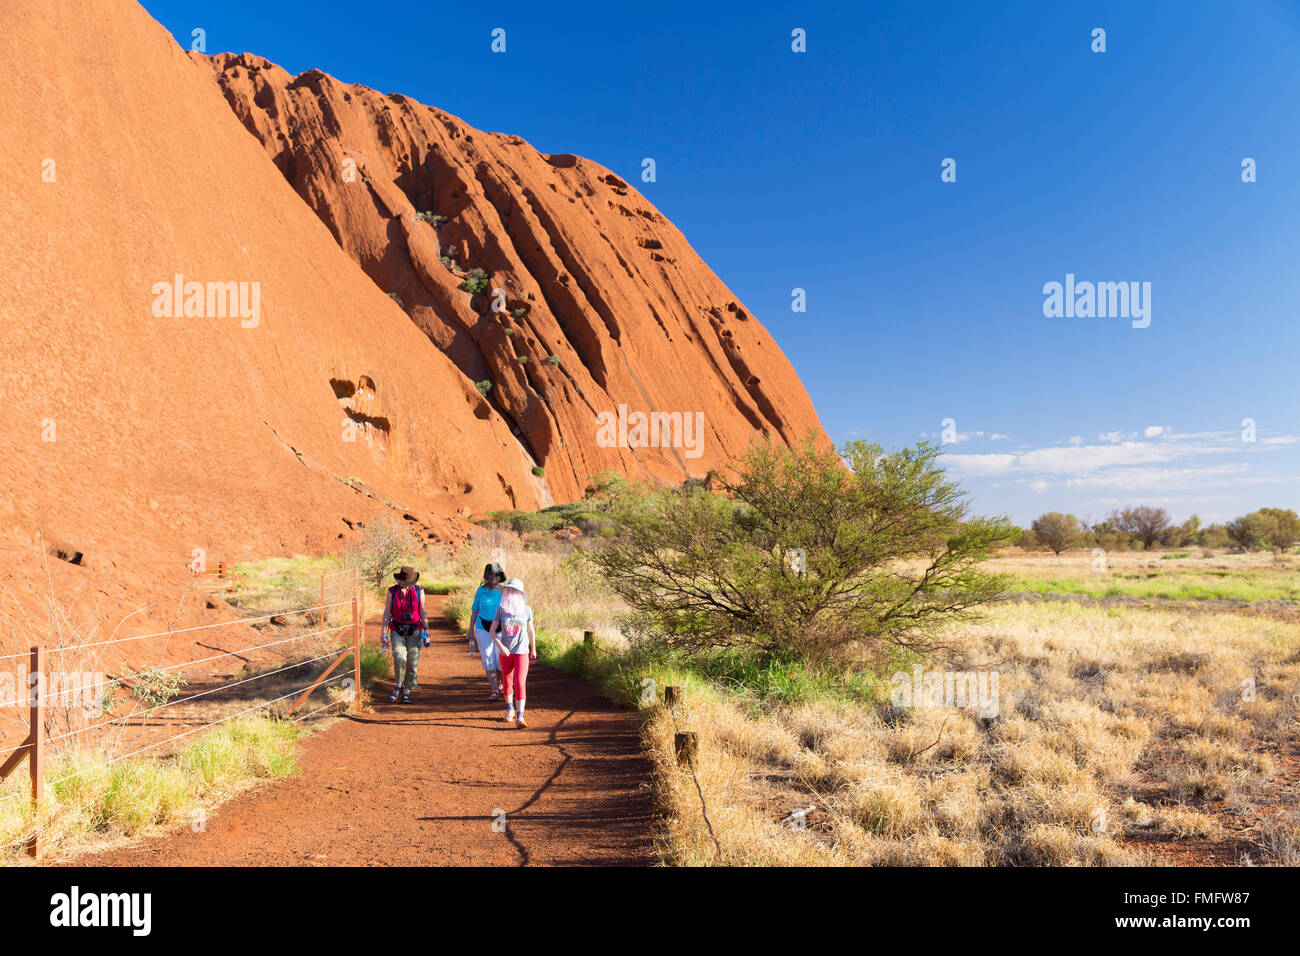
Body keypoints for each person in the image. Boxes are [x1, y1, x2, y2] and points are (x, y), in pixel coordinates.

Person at [490, 577, 537, 728]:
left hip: (522, 651)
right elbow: (492, 631)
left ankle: (520, 716)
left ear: (520, 594)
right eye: (509, 590)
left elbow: (531, 630)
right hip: (505, 652)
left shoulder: (527, 610)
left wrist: (533, 647)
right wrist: (501, 647)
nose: (511, 593)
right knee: (507, 680)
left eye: (515, 591)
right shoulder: (501, 610)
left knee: (520, 681)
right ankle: (509, 709)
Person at [381, 566, 428, 704]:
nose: (404, 585)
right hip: (397, 629)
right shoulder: (392, 591)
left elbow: (423, 611)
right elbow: (387, 612)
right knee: (399, 657)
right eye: (402, 581)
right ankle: (398, 684)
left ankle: (407, 691)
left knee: (413, 661)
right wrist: (383, 631)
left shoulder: (419, 591)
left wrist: (427, 629)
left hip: (415, 630)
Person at [467, 563, 505, 699]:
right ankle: (494, 689)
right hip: (483, 628)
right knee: (488, 659)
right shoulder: (481, 590)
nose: (494, 576)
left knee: (500, 659)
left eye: (497, 574)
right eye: (492, 574)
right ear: (487, 575)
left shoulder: (504, 590)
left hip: (501, 629)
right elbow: (475, 610)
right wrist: (470, 629)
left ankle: (500, 683)